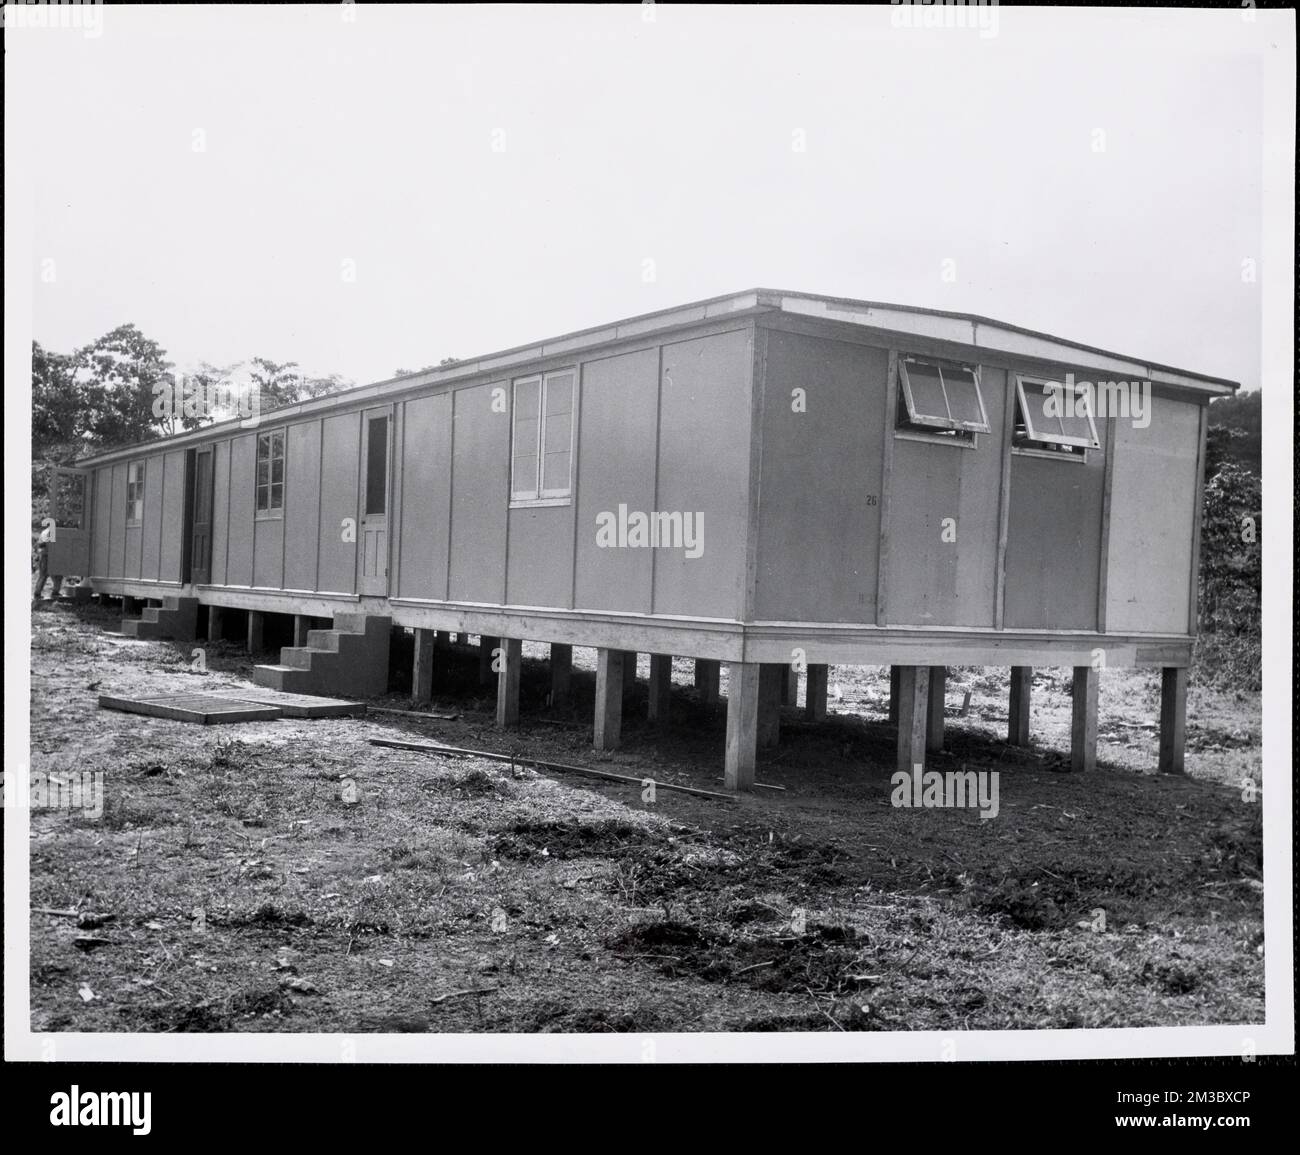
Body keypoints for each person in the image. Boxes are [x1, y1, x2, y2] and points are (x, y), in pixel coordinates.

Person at [32, 523, 63, 605]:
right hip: (49, 555)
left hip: (44, 555)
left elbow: (40, 545)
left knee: (43, 575)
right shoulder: (52, 532)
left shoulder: (44, 531)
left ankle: (37, 593)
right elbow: (49, 544)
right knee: (57, 575)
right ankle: (55, 592)